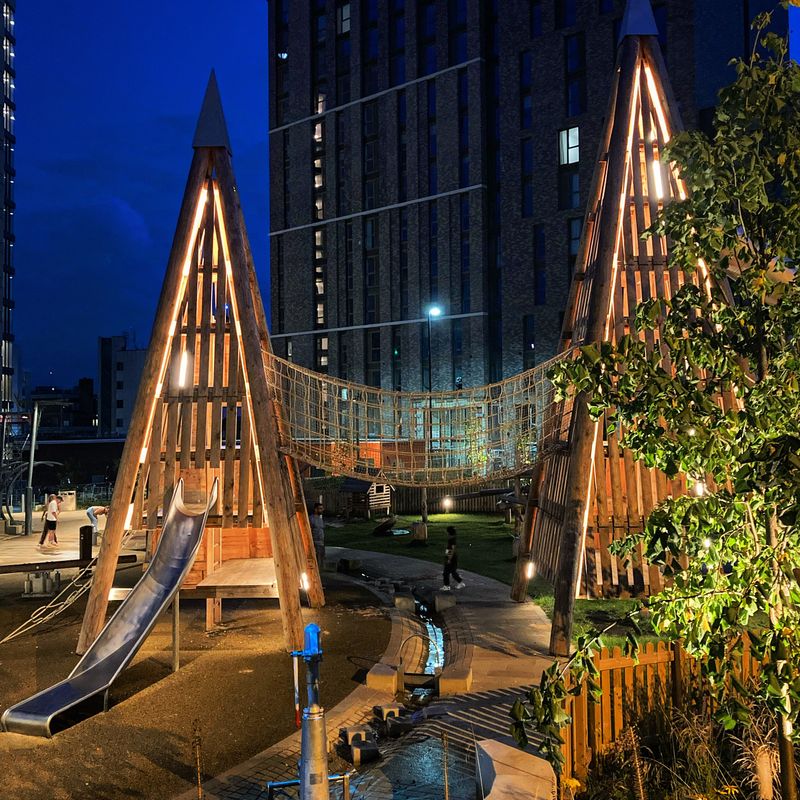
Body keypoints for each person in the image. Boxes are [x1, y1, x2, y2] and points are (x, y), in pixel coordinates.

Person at [442, 526, 465, 591]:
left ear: (449, 532)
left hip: (451, 558)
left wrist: (449, 559)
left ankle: (446, 586)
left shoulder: (452, 540)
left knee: (446, 573)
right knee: (452, 572)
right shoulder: (451, 539)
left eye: (447, 531)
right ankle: (460, 582)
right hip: (452, 557)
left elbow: (452, 549)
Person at [310, 502, 325, 571]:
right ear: (316, 509)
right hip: (315, 543)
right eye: (320, 509)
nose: (322, 510)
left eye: (322, 508)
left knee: (321, 561)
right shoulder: (311, 519)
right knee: (316, 561)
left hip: (321, 543)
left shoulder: (320, 519)